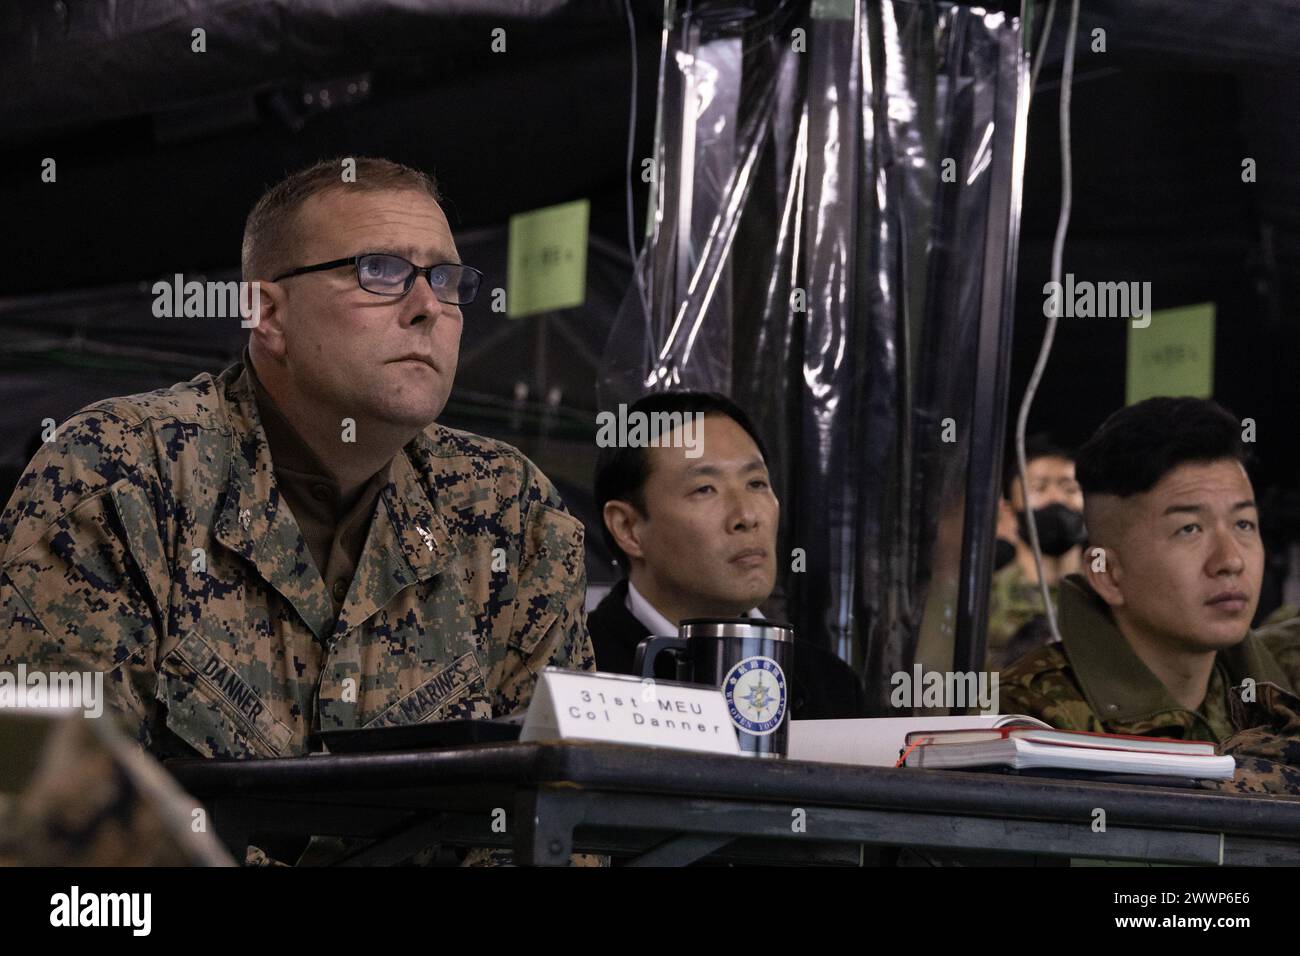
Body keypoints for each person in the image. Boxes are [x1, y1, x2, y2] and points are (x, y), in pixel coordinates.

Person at [0, 157, 593, 763]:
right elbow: (56, 790)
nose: (428, 307)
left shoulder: (507, 506)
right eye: (380, 272)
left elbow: (562, 801)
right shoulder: (122, 470)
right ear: (270, 314)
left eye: (445, 279)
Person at [999, 397, 1300, 743]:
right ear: (1108, 574)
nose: (1230, 560)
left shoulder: (1279, 701)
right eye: (1189, 529)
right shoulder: (1035, 721)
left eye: (1244, 524)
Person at [589, 391, 864, 718]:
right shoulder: (576, 677)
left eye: (757, 483)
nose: (746, 516)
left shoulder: (830, 686)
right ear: (628, 527)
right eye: (705, 489)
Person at [986, 436, 1086, 669]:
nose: (1056, 498)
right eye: (1039, 488)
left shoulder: (1113, 598)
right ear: (1008, 512)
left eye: (1070, 488)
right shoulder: (984, 601)